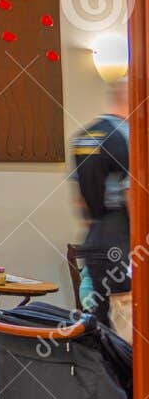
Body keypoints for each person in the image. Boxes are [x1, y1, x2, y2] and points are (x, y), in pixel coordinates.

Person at [71, 80, 131, 335]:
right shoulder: (128, 137)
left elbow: (81, 200)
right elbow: (132, 195)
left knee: (103, 330)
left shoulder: (86, 134)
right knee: (129, 327)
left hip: (97, 242)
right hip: (125, 242)